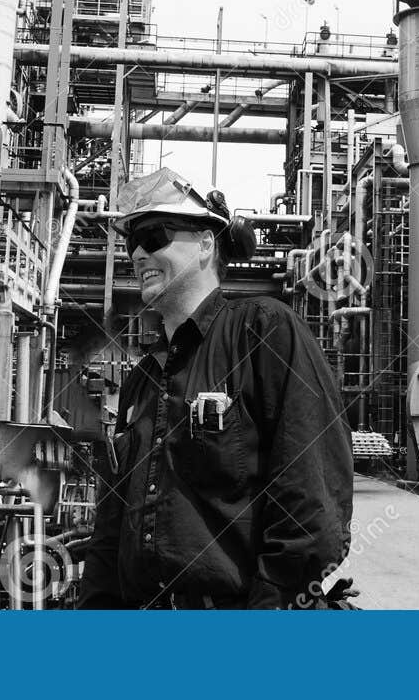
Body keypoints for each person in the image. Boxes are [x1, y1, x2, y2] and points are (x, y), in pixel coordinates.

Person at [79, 167, 354, 609]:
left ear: (206, 242)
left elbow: (312, 504)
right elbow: (111, 527)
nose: (137, 254)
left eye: (153, 235)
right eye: (131, 242)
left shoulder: (263, 332)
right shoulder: (142, 380)